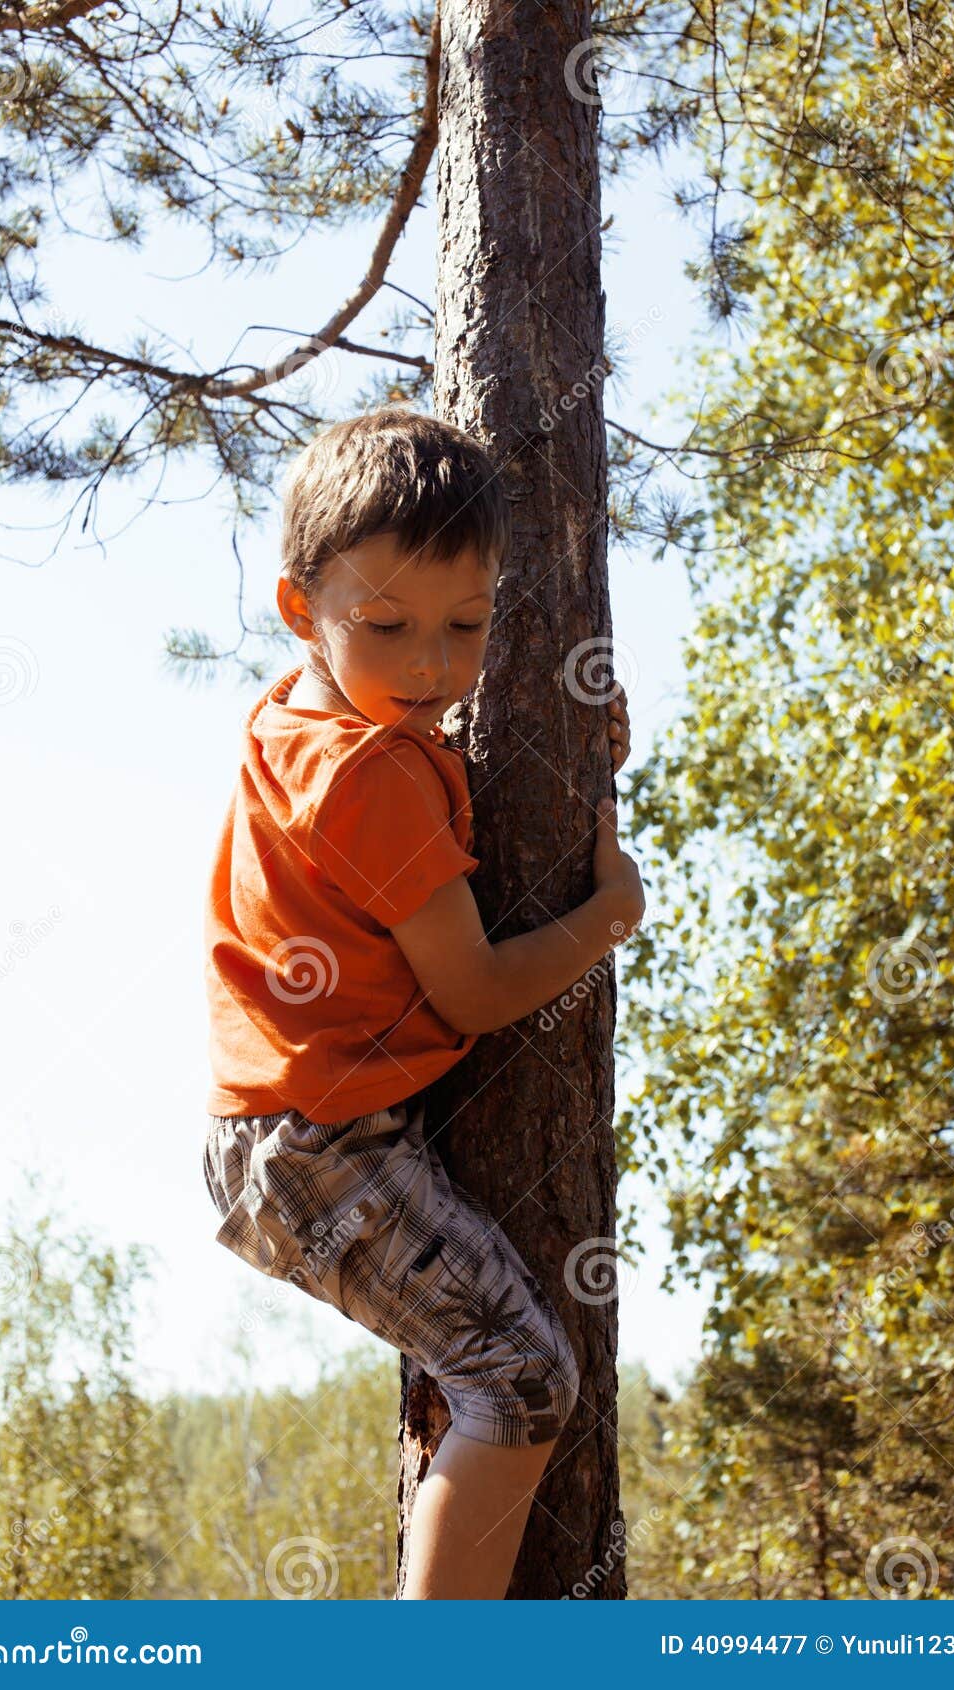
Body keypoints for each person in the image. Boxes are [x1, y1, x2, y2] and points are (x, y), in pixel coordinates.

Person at [201, 406, 646, 1599]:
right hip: (321, 1150)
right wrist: (609, 916)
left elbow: (443, 785)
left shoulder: (306, 718)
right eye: (388, 626)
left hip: (298, 1136)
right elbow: (478, 985)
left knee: (497, 1373)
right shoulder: (369, 771)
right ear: (300, 610)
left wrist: (565, 750)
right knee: (519, 1379)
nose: (434, 669)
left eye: (469, 625)